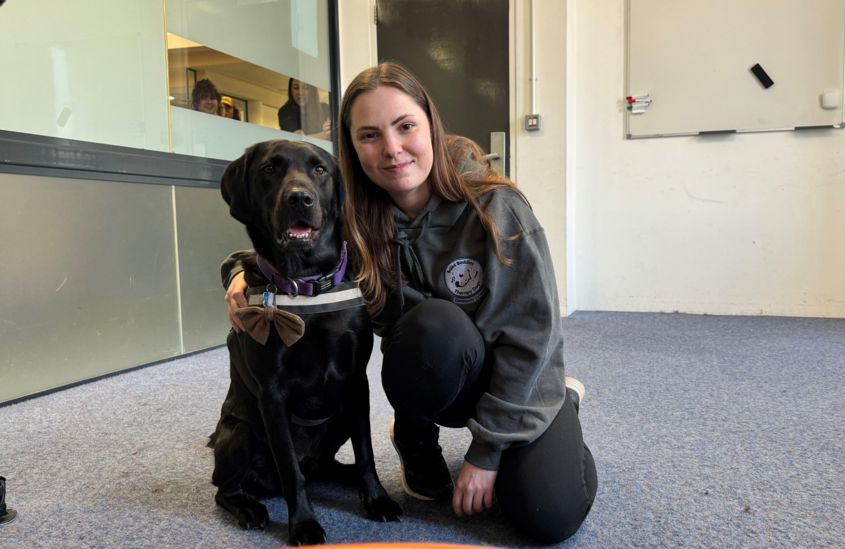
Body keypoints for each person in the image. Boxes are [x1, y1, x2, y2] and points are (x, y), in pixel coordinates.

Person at [223, 62, 597, 543]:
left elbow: (532, 336)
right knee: (432, 328)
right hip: (446, 374)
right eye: (370, 135)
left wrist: (486, 453)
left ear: (431, 127)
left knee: (549, 515)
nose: (392, 149)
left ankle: (563, 400)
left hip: (521, 376)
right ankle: (415, 439)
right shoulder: (356, 220)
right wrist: (237, 271)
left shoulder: (496, 206)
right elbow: (288, 250)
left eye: (405, 127)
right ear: (353, 150)